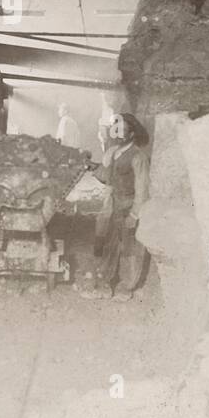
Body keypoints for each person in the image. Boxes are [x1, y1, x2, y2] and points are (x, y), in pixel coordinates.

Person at [82, 112, 150, 302]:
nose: (118, 135)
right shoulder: (112, 153)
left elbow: (142, 189)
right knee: (105, 244)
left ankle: (125, 287)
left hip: (128, 206)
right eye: (116, 131)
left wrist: (135, 215)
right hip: (110, 205)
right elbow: (107, 176)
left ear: (131, 134)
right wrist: (91, 167)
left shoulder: (138, 156)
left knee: (129, 247)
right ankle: (104, 282)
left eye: (123, 131)